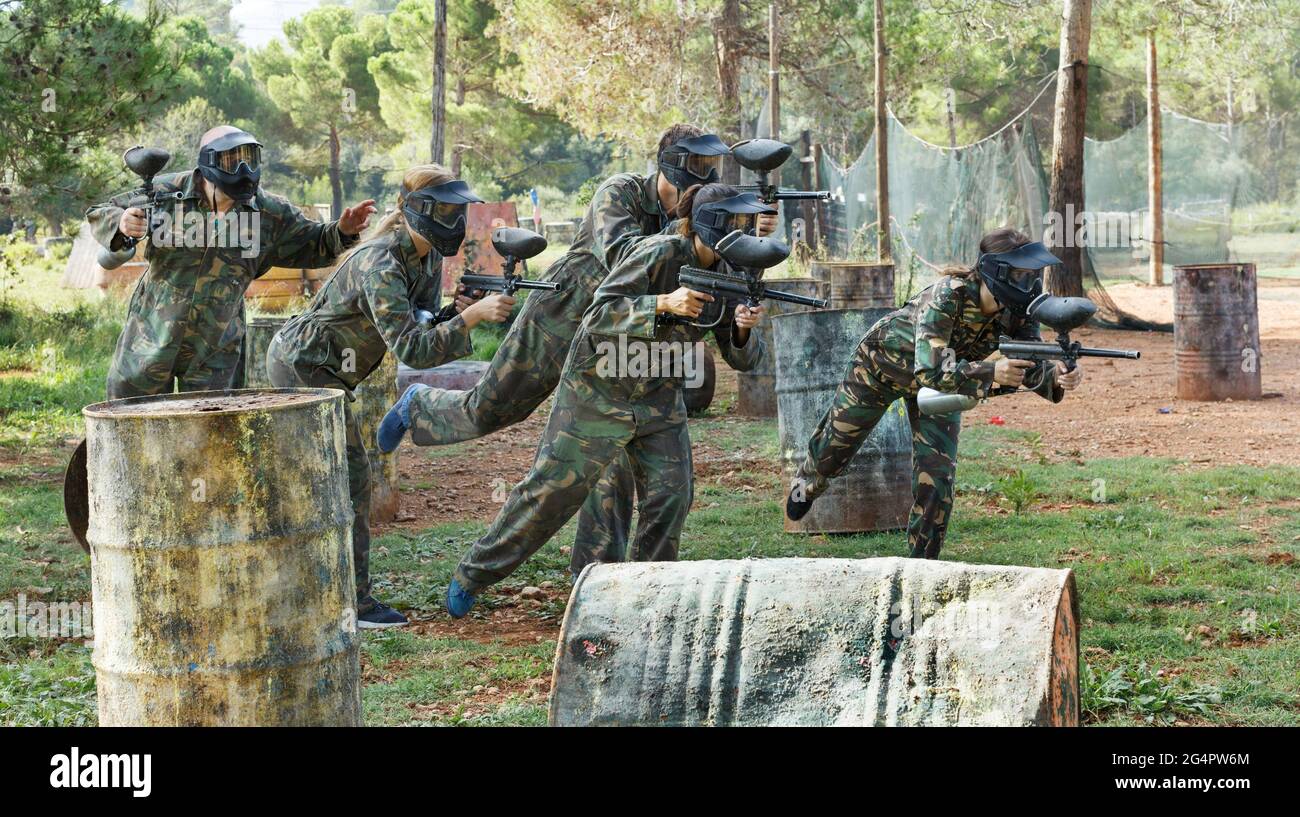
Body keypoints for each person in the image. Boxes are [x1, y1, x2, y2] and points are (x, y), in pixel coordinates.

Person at [377, 124, 776, 575]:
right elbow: (622, 254)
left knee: (611, 461)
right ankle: (421, 405)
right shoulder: (620, 192)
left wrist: (738, 229)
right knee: (491, 409)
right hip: (561, 318)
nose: (704, 175)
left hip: (618, 344)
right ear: (671, 162)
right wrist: (698, 223)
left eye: (710, 167)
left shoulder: (697, 218)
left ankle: (595, 575)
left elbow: (700, 271)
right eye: (696, 165)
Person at [443, 183, 773, 618]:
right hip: (596, 394)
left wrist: (744, 326)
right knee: (548, 494)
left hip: (658, 400)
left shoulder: (735, 270)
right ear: (711, 223)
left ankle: (650, 595)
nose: (744, 230)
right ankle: (474, 573)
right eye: (737, 221)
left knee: (671, 498)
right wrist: (662, 303)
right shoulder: (655, 252)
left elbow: (743, 357)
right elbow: (599, 313)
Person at [265, 165, 513, 629]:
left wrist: (452, 313)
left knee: (334, 477)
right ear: (416, 211)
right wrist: (472, 319)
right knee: (348, 477)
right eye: (444, 210)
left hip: (331, 369)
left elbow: (417, 322)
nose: (454, 221)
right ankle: (351, 605)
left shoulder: (424, 257)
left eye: (459, 211)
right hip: (304, 366)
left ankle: (318, 587)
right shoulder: (382, 261)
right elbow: (413, 350)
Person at [784, 228, 1085, 559]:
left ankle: (921, 567)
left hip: (945, 385)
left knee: (937, 482)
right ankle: (806, 485)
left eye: (1032, 276)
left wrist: (1059, 376)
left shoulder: (1019, 309)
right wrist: (990, 372)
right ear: (996, 271)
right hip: (880, 366)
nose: (1029, 284)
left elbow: (1031, 362)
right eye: (1021, 275)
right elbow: (930, 368)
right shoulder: (948, 296)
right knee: (834, 448)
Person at [86, 126, 377, 399]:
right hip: (149, 336)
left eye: (250, 159)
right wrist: (122, 223)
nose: (244, 169)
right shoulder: (165, 193)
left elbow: (315, 241)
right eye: (232, 160)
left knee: (209, 433)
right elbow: (102, 211)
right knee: (129, 422)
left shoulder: (268, 212)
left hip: (214, 349)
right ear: (208, 162)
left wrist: (343, 231)